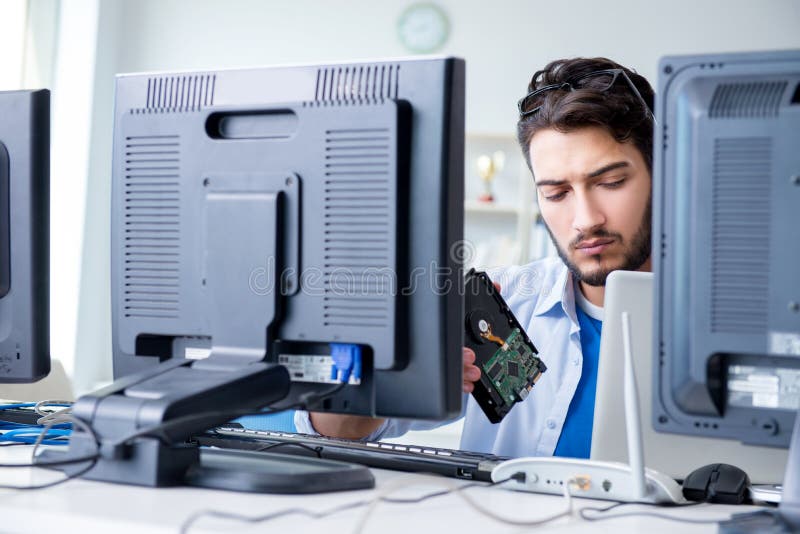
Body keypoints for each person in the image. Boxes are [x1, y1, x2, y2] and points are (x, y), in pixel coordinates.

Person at [294, 56, 656, 458]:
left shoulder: (723, 326)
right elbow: (333, 435)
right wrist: (393, 375)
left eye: (611, 182)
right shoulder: (501, 305)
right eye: (556, 193)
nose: (586, 220)